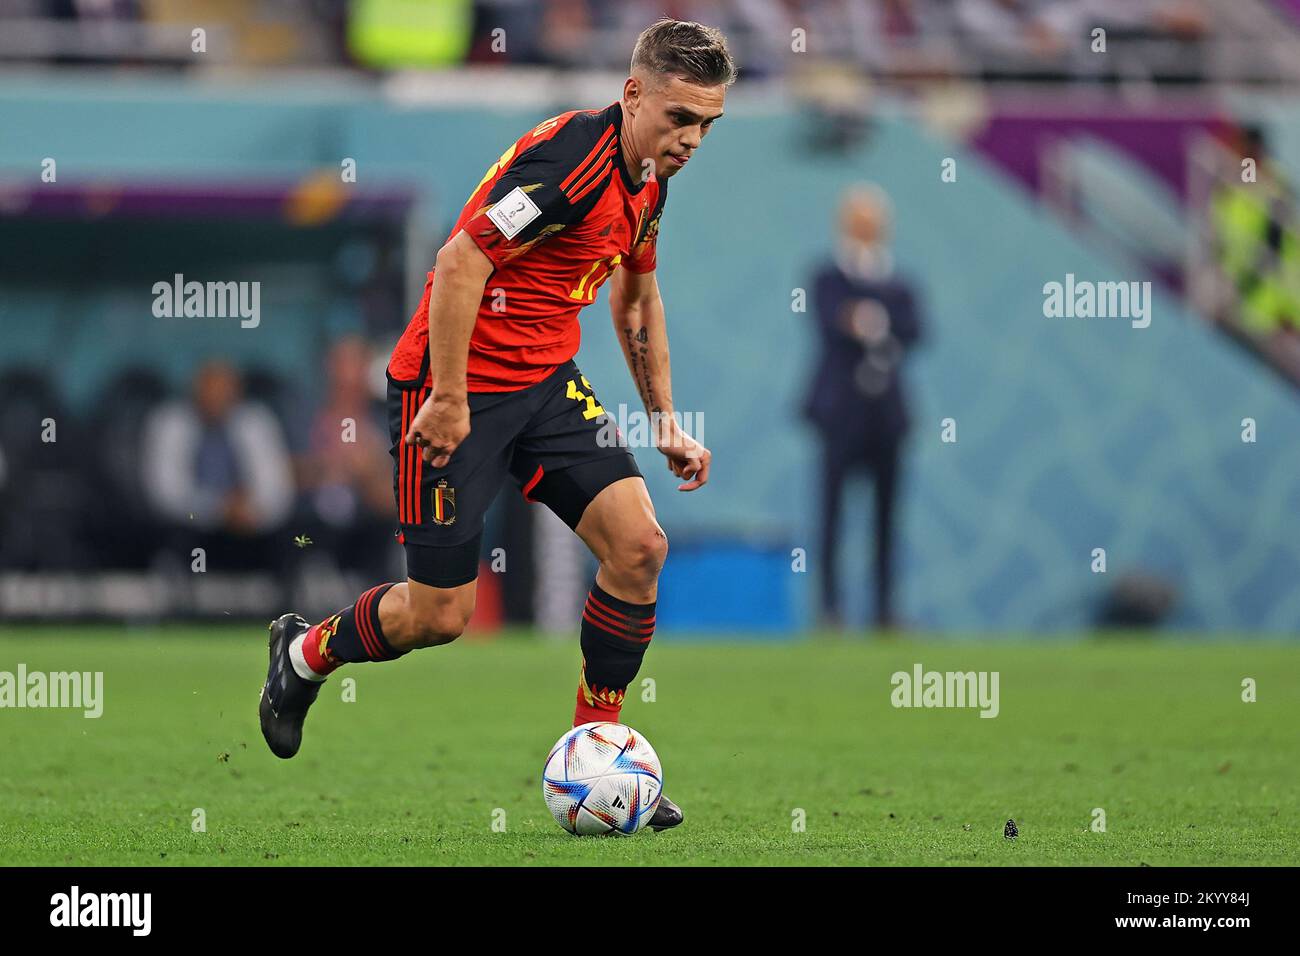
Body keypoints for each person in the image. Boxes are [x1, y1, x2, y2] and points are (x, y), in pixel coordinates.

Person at [259, 17, 734, 833]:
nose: (692, 139)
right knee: (440, 615)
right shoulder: (570, 166)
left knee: (640, 546)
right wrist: (447, 397)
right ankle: (304, 655)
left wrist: (664, 421)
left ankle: (601, 749)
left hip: (545, 383)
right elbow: (458, 261)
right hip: (452, 390)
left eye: (707, 124)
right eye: (680, 117)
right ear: (632, 94)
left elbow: (635, 293)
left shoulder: (650, 174)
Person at [804, 185, 923, 631]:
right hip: (840, 415)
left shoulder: (897, 280)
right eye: (859, 219)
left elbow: (915, 330)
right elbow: (829, 321)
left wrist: (874, 323)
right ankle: (830, 609)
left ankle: (884, 610)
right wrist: (858, 322)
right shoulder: (827, 276)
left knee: (887, 515)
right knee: (832, 512)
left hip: (887, 417)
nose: (867, 228)